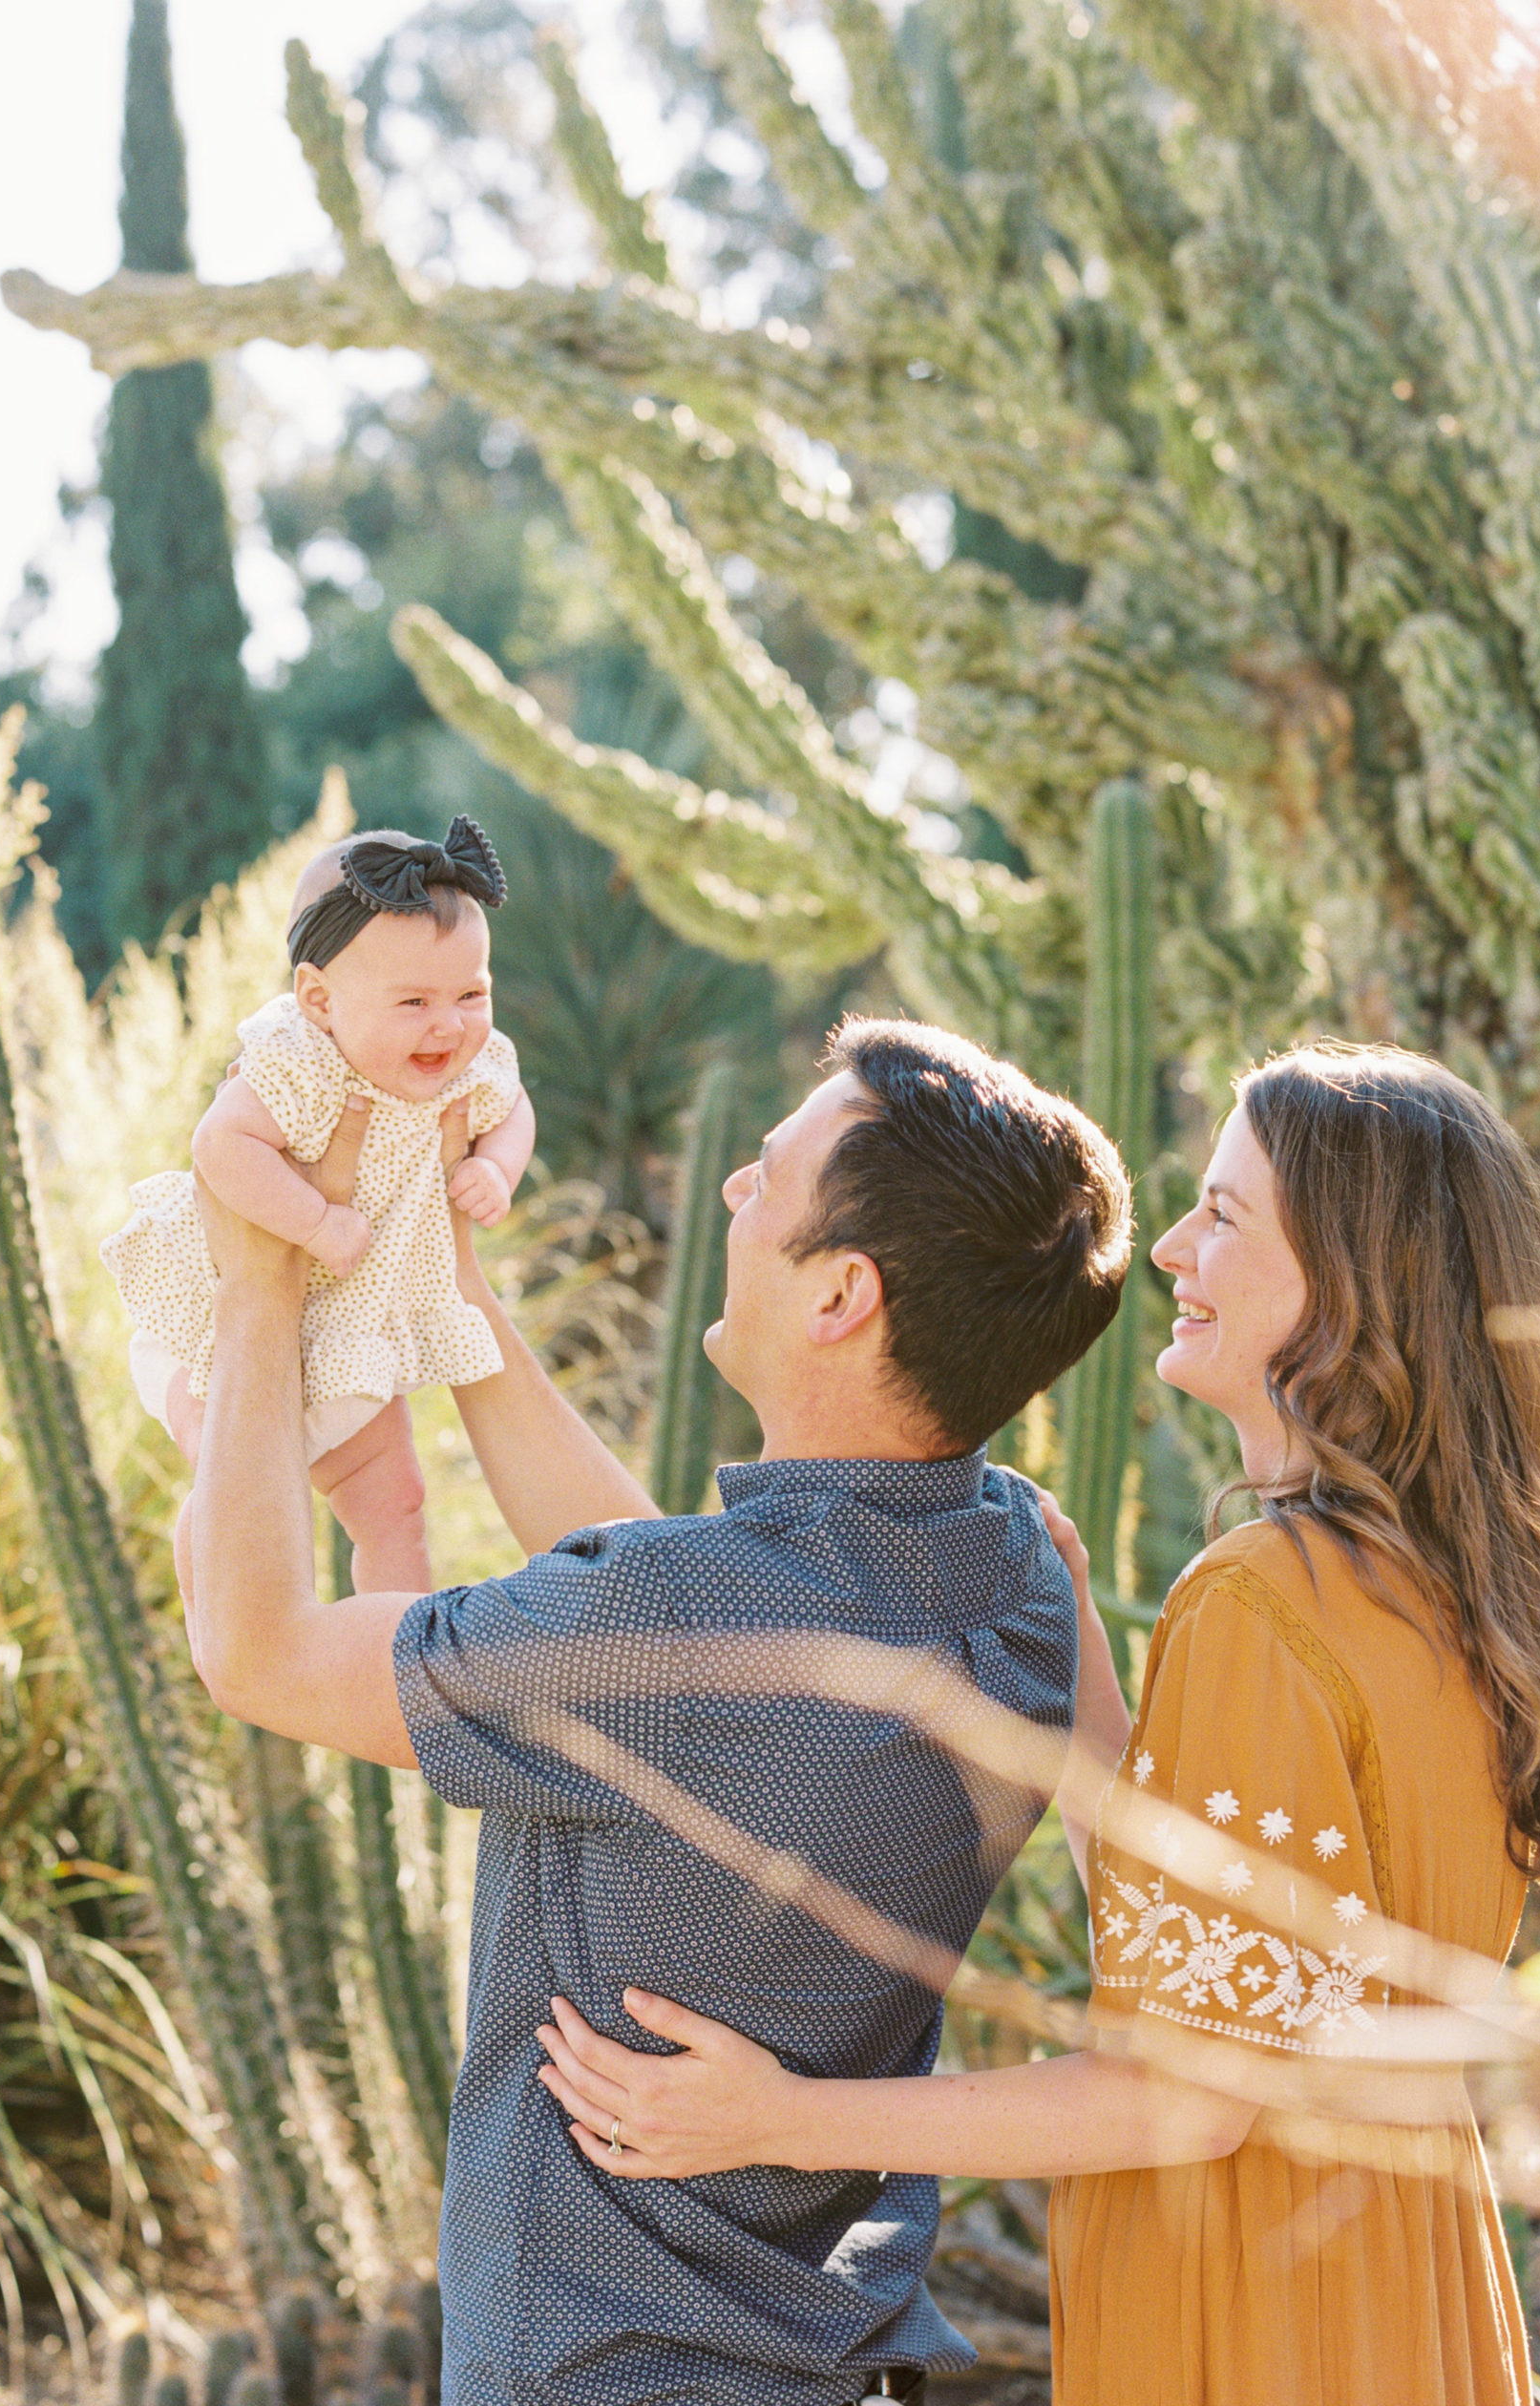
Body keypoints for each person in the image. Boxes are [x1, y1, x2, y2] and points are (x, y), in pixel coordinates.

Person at [535, 1041, 1540, 2406]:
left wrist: (779, 2118)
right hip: (1402, 2286)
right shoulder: (1444, 1586)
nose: (1174, 1246)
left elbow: (1184, 2096)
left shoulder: (1264, 1596)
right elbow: (1227, 1961)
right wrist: (1081, 1672)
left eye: (1227, 1217)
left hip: (1257, 2316)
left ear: (1349, 1288)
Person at [184, 1018, 1132, 2406]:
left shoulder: (670, 1627)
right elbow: (676, 1643)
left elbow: (259, 1651)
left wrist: (257, 1285)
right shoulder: (1016, 1572)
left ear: (840, 1297)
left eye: (767, 1177)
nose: (735, 1197)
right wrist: (449, 1290)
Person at [100, 817, 536, 1596]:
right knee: (236, 1487)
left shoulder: (469, 1059)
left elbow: (512, 1105)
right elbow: (219, 1147)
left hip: (350, 1329)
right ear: (319, 999)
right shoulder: (299, 1060)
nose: (450, 1024)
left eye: (473, 993)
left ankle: (395, 1655)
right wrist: (315, 1222)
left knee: (399, 1501)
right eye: (413, 1001)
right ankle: (225, 1622)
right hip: (234, 1329)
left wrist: (498, 1170)